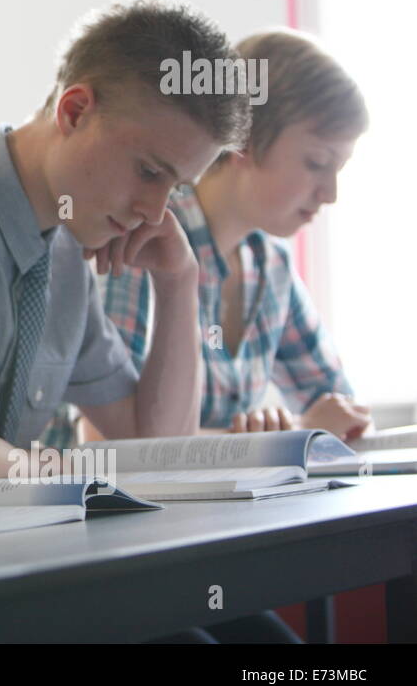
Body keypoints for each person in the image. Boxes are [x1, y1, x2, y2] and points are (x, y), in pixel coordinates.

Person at [0, 0, 251, 480]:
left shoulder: (64, 262)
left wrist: (179, 282)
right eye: (148, 171)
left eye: (176, 188)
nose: (155, 211)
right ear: (76, 110)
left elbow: (158, 456)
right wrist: (79, 471)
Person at [101, 29, 370, 440]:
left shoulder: (270, 264)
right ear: (243, 137)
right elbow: (108, 443)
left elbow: (343, 415)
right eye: (317, 162)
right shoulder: (146, 236)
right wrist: (290, 434)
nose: (330, 194)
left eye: (340, 168)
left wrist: (307, 429)